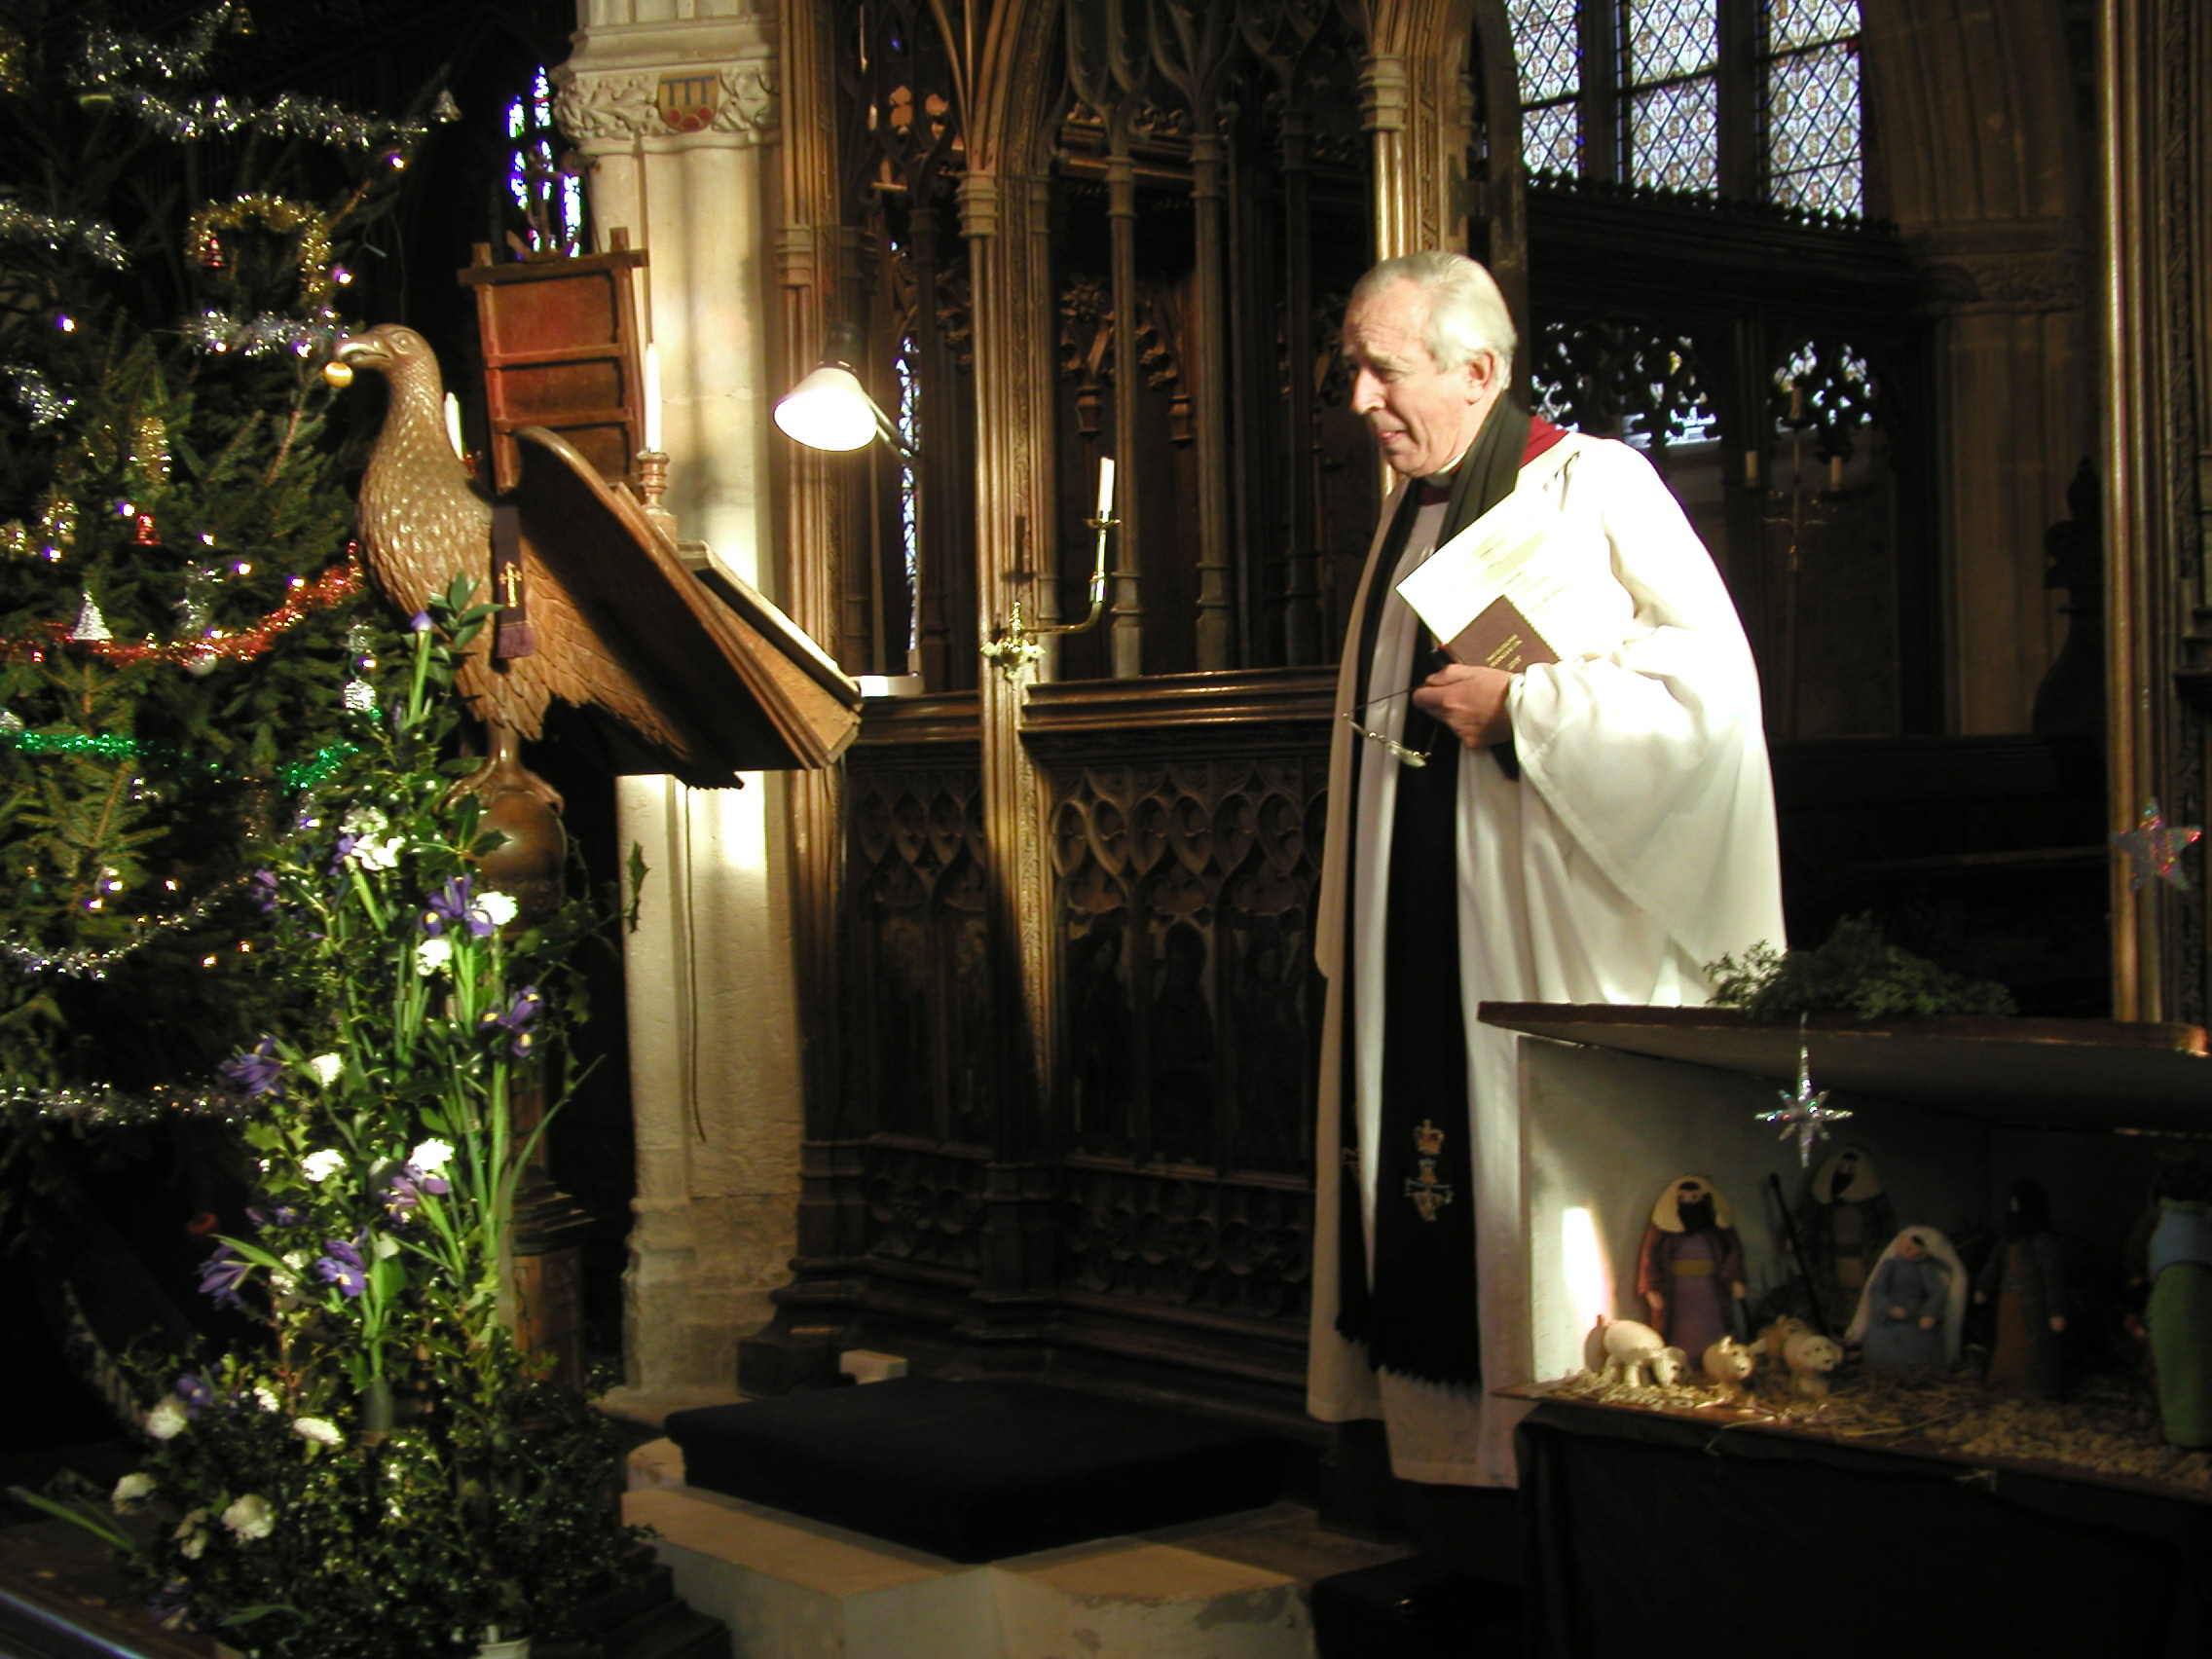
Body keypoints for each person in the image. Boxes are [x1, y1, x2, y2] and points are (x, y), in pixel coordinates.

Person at [1307, 251, 1784, 1487]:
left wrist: (1526, 709)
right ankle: (1439, 1475)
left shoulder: (1593, 484)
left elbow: (1710, 698)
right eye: (1353, 370)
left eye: (1383, 370)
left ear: (1478, 370)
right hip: (1421, 914)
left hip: (1538, 925)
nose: (1359, 399)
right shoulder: (1408, 513)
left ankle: (1544, 1476)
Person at [1846, 1225, 1967, 1371]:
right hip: (1888, 1319)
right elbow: (1876, 1290)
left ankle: (1920, 1368)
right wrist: (1888, 1307)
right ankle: (1882, 1364)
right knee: (1883, 1345)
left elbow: (1937, 1292)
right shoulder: (1889, 1266)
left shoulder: (1925, 1268)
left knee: (1923, 1343)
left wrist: (1930, 1313)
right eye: (1909, 1248)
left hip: (1916, 1316)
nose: (1915, 1251)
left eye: (1917, 1247)